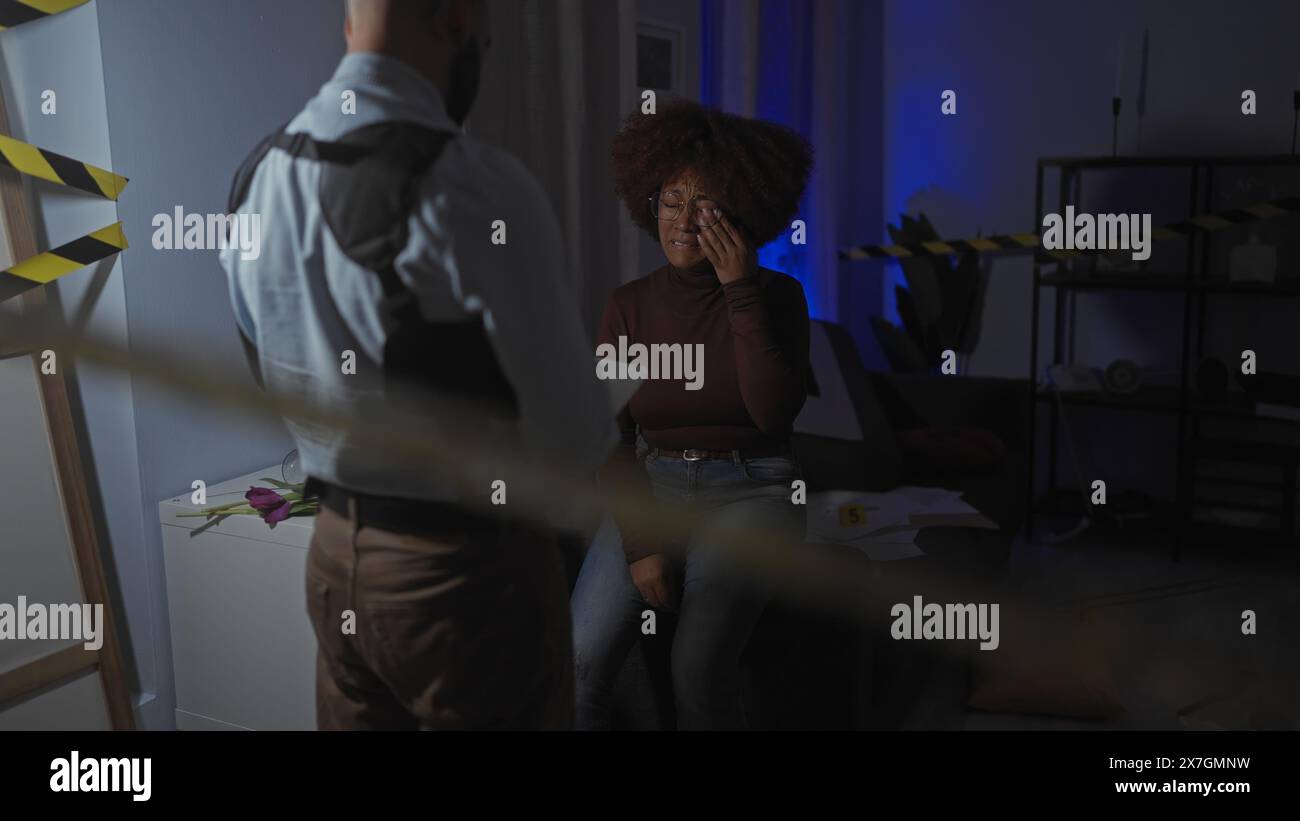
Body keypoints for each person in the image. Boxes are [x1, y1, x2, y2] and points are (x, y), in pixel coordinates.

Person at [220, 0, 613, 730]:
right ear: (458, 20)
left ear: (349, 25)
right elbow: (574, 440)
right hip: (462, 568)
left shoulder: (258, 175)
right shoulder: (476, 184)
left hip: (334, 556)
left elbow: (269, 363)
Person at [572, 99, 813, 730]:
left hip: (753, 489)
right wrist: (642, 545)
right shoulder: (627, 306)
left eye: (704, 203)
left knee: (698, 667)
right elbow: (610, 438)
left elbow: (771, 415)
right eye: (671, 200)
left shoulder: (780, 298)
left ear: (741, 210)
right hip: (652, 487)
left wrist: (741, 290)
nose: (683, 219)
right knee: (578, 661)